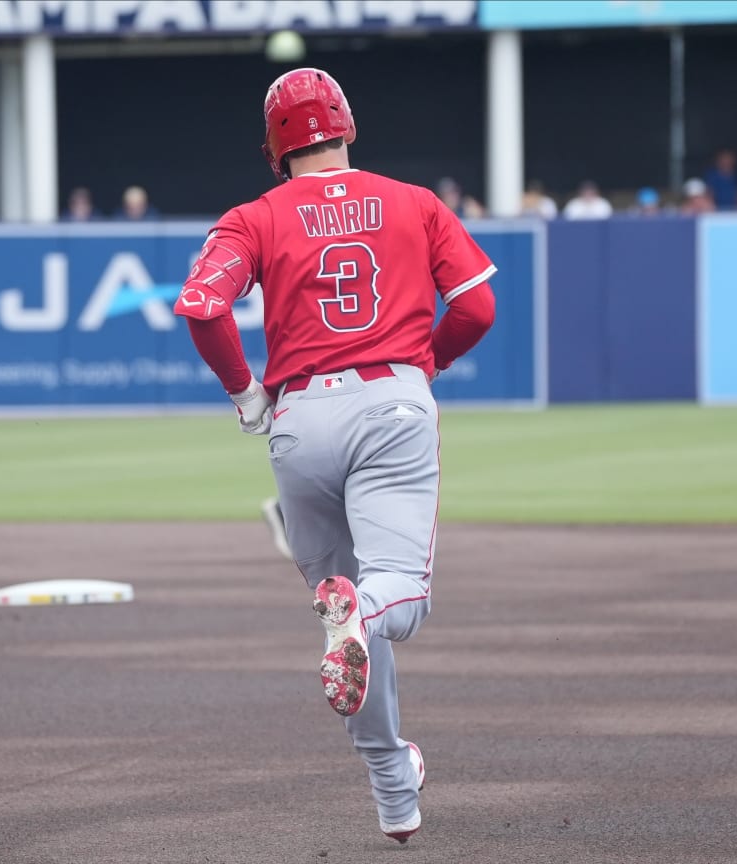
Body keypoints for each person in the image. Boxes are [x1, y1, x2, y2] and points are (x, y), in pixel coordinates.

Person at [175, 67, 496, 845]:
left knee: (344, 609)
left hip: (300, 420)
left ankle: (395, 793)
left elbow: (202, 306)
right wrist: (431, 361)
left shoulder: (252, 217)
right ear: (348, 127)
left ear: (273, 150)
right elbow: (478, 307)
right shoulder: (414, 201)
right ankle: (361, 613)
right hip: (390, 404)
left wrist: (246, 393)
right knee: (396, 603)